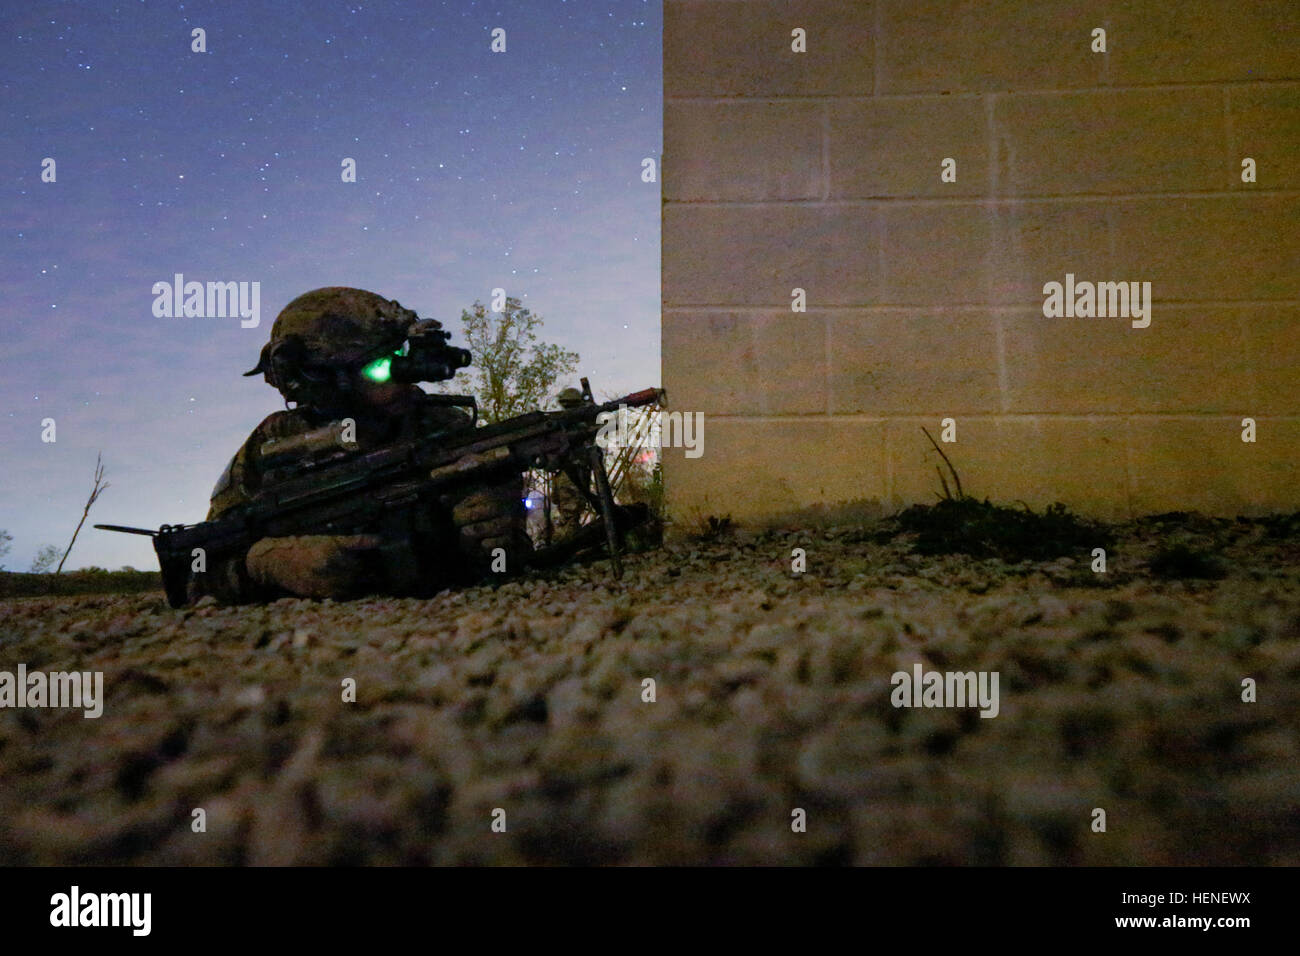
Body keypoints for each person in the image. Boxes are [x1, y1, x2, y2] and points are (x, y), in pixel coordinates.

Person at [188, 287, 530, 604]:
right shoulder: (276, 444)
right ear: (323, 382)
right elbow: (194, 570)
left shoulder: (444, 428)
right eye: (379, 367)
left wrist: (494, 538)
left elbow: (508, 560)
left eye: (400, 355)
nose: (401, 377)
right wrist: (261, 565)